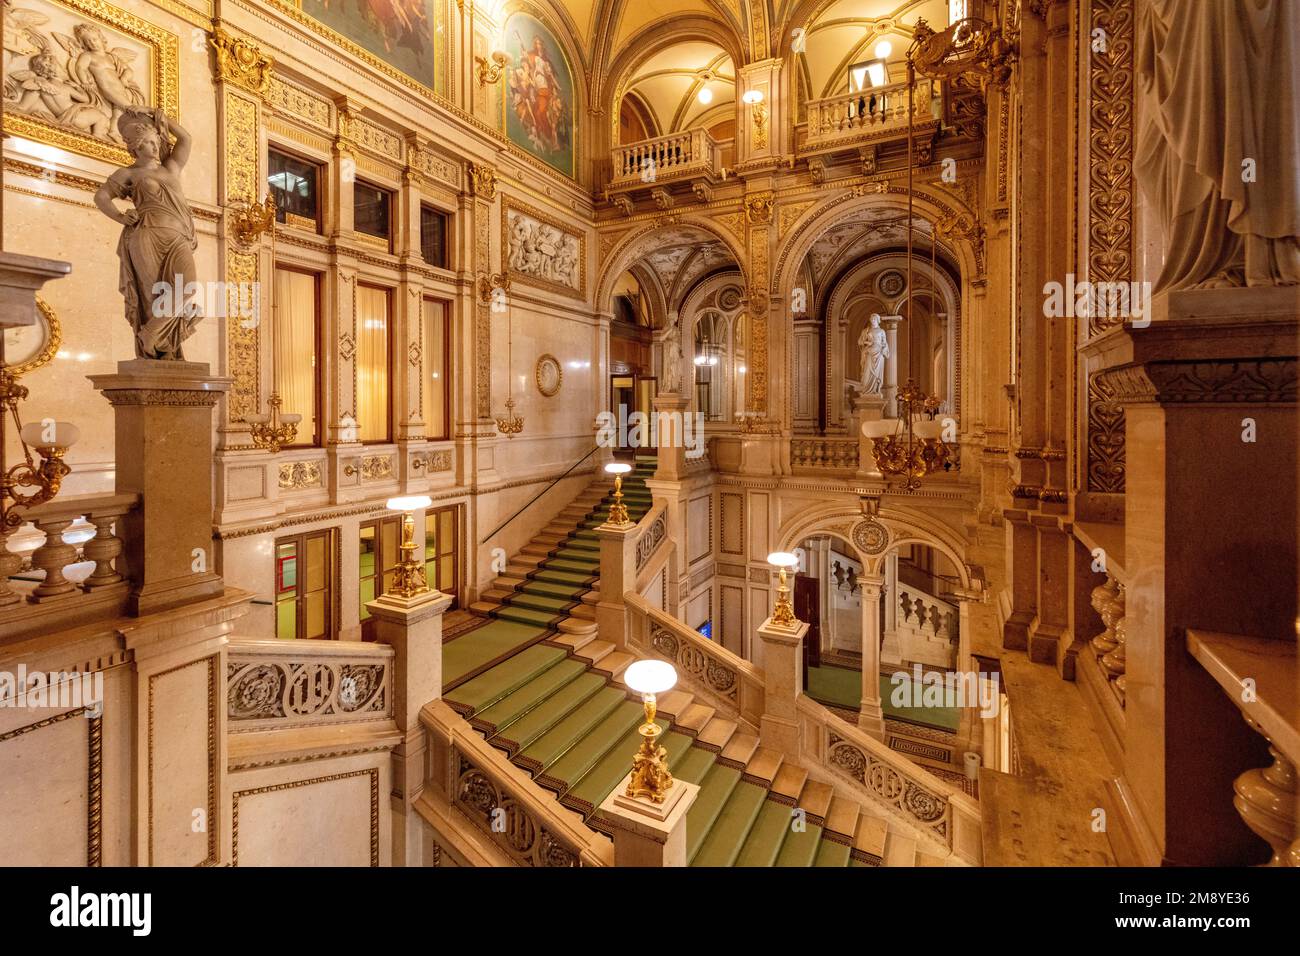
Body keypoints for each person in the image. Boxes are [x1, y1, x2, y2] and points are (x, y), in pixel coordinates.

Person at [93, 107, 200, 360]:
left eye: (156, 141)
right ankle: (162, 355)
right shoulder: (128, 174)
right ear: (136, 147)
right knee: (154, 295)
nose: (155, 147)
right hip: (146, 235)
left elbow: (186, 139)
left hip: (177, 237)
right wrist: (120, 216)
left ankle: (150, 334)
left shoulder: (171, 168)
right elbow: (101, 197)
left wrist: (158, 116)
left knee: (187, 287)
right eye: (148, 143)